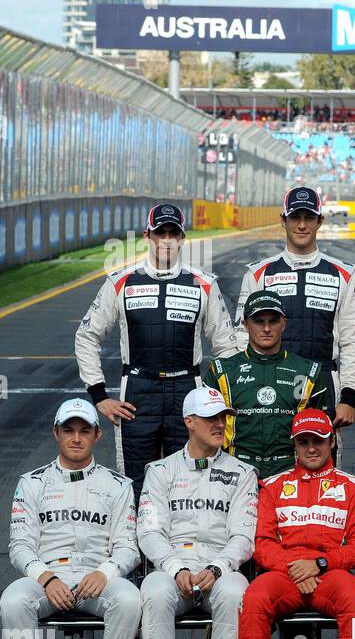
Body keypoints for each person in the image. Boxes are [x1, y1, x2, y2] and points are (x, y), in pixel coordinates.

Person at [75, 203, 237, 494]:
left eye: (172, 233)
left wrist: (217, 399)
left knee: (191, 483)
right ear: (147, 236)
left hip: (188, 392)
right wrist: (99, 396)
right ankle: (136, 540)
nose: (166, 240)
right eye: (160, 232)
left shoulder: (205, 284)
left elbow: (226, 345)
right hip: (137, 394)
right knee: (136, 486)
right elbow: (87, 335)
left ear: (182, 238)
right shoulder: (120, 281)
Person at [1, 399, 140, 639]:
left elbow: (128, 546)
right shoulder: (31, 483)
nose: (76, 438)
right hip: (49, 578)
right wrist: (46, 578)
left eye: (84, 431)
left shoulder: (118, 486)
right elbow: (20, 545)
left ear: (97, 436)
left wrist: (105, 573)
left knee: (131, 599)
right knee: (12, 601)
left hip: (98, 579)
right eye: (69, 431)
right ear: (56, 433)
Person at [233, 409, 355, 639]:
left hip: (330, 575)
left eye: (319, 441)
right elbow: (262, 543)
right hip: (288, 574)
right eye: (303, 441)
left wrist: (320, 564)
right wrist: (297, 567)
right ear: (294, 445)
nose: (311, 448)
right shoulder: (272, 486)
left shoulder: (354, 487)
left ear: (332, 441)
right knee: (254, 597)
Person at [137, 387, 258, 639]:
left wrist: (218, 568)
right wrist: (175, 568)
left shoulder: (243, 473)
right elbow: (149, 531)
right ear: (189, 421)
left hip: (219, 568)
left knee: (236, 590)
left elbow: (243, 536)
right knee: (154, 590)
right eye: (210, 418)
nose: (219, 424)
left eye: (222, 417)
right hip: (173, 567)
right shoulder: (160, 471)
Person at [234, 186, 355, 433]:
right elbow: (242, 337)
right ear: (283, 220)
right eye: (295, 217)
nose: (302, 225)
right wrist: (243, 387)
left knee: (322, 466)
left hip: (323, 381)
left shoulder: (345, 274)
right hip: (266, 381)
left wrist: (349, 397)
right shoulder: (258, 273)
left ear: (320, 221)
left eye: (309, 218)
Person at [203, 290, 334, 478]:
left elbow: (323, 430)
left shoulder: (309, 371)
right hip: (235, 468)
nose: (266, 328)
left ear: (284, 324)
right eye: (258, 321)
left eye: (273, 321)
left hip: (289, 469)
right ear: (245, 324)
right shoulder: (222, 370)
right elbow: (204, 428)